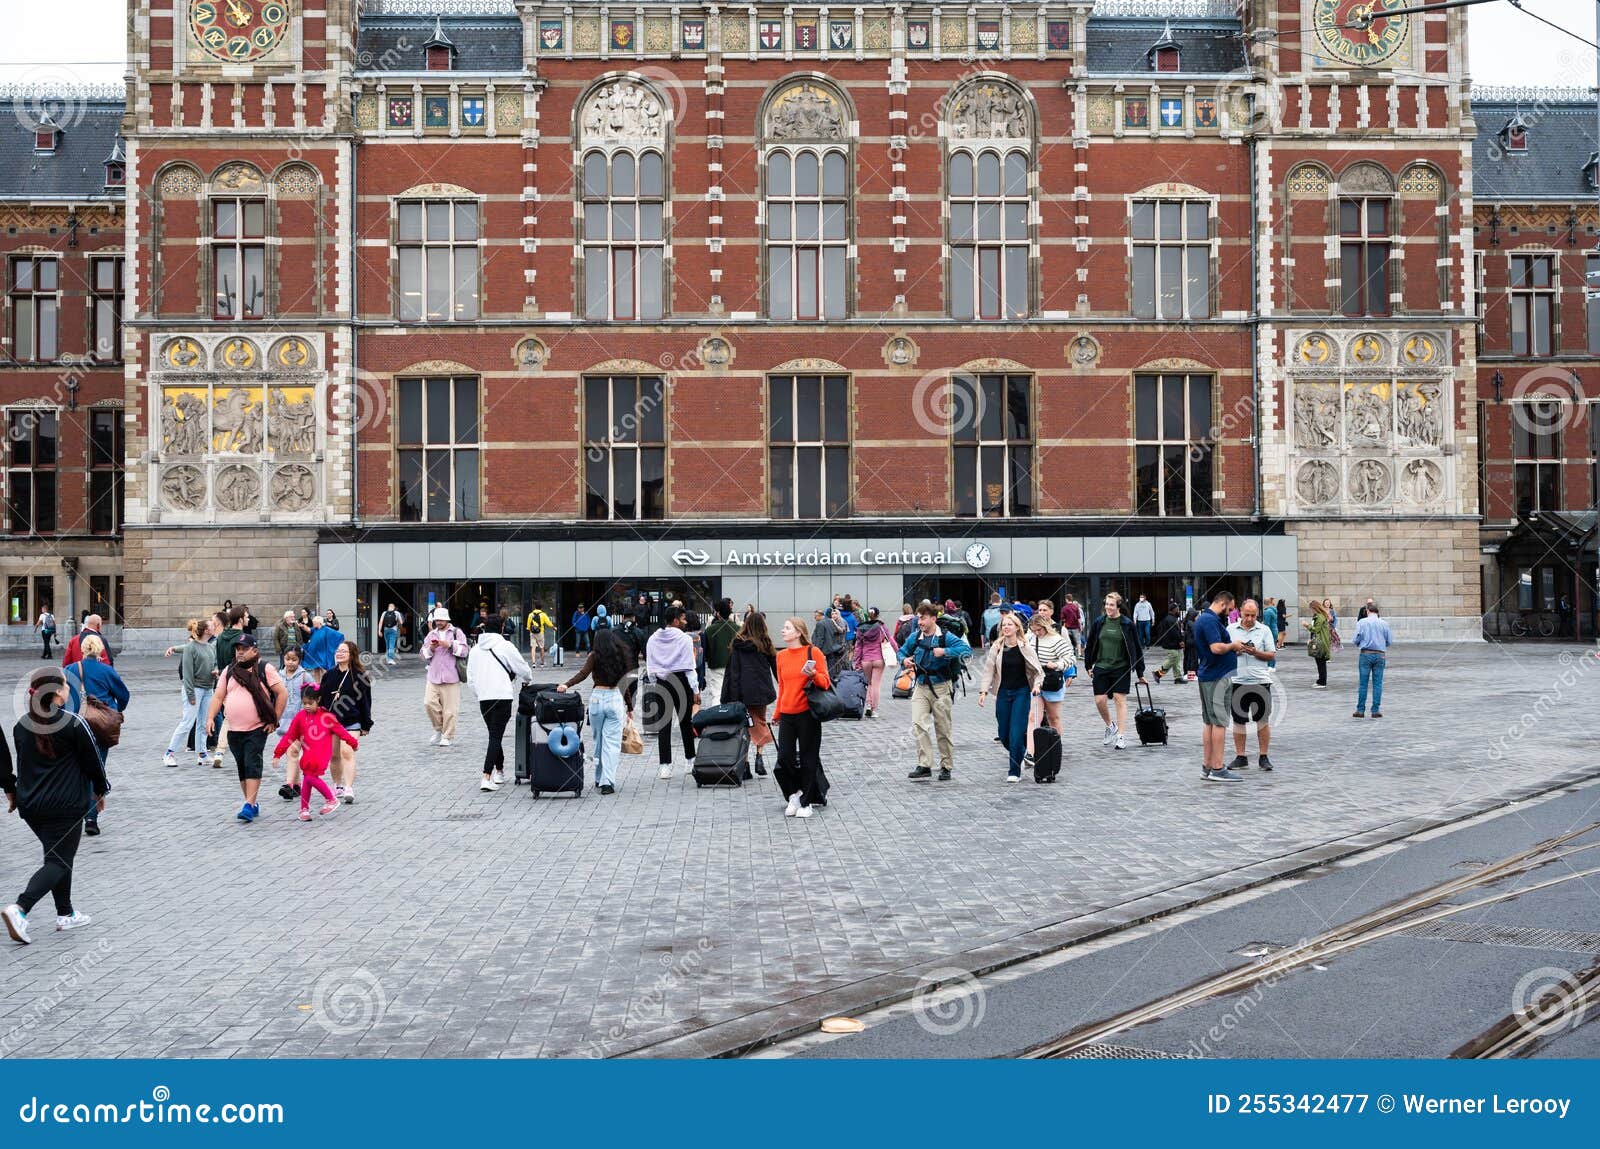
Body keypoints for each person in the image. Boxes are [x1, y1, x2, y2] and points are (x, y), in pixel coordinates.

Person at [1, 669, 110, 943]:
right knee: (58, 860)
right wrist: (101, 790)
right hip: (65, 805)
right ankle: (20, 908)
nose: (68, 688)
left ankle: (66, 913)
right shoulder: (74, 723)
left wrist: (13, 792)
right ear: (59, 692)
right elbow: (93, 762)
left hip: (31, 806)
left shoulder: (21, 726)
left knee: (58, 856)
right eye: (65, 684)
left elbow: (23, 766)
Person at [204, 634, 286, 822]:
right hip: (233, 729)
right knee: (242, 766)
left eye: (244, 649)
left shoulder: (265, 668)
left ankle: (249, 805)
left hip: (257, 728)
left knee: (252, 763)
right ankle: (251, 802)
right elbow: (218, 696)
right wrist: (210, 718)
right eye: (237, 649)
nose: (240, 652)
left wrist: (274, 719)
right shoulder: (229, 670)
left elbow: (282, 693)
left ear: (254, 650)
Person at [898, 603, 972, 782]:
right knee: (918, 724)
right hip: (921, 685)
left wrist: (945, 651)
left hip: (941, 687)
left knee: (943, 728)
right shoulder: (915, 636)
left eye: (923, 618)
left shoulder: (946, 636)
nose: (920, 622)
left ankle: (946, 766)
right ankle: (924, 765)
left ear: (933, 618)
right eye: (918, 618)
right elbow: (901, 651)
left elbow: (967, 650)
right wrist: (904, 660)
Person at [64, 635, 127, 837]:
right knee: (96, 769)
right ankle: (91, 818)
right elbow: (124, 695)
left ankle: (74, 812)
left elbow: (61, 698)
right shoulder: (107, 671)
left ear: (82, 649)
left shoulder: (70, 670)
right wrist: (114, 709)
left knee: (76, 769)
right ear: (100, 650)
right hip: (100, 727)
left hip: (75, 725)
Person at [558, 628, 634, 795]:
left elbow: (583, 674)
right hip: (614, 698)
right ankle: (607, 782)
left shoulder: (594, 655)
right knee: (611, 744)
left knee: (598, 741)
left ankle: (599, 778)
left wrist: (566, 685)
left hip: (597, 698)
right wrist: (630, 707)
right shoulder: (620, 656)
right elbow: (624, 684)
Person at [773, 617, 831, 817]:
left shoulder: (813, 652)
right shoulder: (781, 656)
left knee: (808, 758)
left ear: (798, 632)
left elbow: (825, 682)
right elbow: (782, 687)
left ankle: (806, 802)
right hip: (787, 714)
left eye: (787, 628)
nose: (783, 630)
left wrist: (814, 674)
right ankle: (794, 794)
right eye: (784, 627)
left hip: (808, 713)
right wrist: (777, 712)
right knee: (784, 758)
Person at [977, 611, 1043, 782]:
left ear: (1017, 628)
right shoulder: (997, 647)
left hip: (1021, 692)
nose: (1006, 627)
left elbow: (1038, 671)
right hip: (1003, 693)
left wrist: (1037, 685)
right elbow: (988, 670)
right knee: (1004, 734)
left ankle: (1014, 771)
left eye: (1009, 624)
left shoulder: (1025, 646)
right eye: (1004, 625)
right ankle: (1022, 753)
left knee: (1015, 733)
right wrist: (983, 692)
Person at [273, 684, 355, 821]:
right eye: (304, 703)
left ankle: (331, 799)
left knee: (310, 777)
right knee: (307, 777)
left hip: (321, 754)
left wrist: (353, 742)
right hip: (308, 754)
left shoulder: (327, 717)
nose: (307, 706)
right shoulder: (300, 717)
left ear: (318, 700)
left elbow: (341, 731)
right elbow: (289, 736)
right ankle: (304, 809)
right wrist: (278, 753)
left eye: (310, 703)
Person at [466, 623, 532, 791]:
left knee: (494, 735)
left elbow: (470, 678)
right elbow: (522, 667)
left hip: (484, 698)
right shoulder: (506, 646)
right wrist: (528, 678)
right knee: (495, 736)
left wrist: (479, 693)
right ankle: (486, 776)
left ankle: (500, 771)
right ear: (502, 628)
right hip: (502, 696)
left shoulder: (475, 650)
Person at [1082, 593, 1145, 751]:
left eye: (1111, 605)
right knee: (1099, 700)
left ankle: (1121, 736)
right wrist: (1088, 665)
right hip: (1101, 666)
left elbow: (1137, 648)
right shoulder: (1099, 622)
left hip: (1121, 667)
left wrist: (1140, 673)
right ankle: (1111, 726)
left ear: (1118, 606)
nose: (1108, 607)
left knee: (1119, 699)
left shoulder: (1127, 624)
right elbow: (1090, 644)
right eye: (1107, 604)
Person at [1194, 590, 1245, 781]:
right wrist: (1233, 646)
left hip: (1210, 675)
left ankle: (1207, 767)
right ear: (1223, 604)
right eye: (1230, 609)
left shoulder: (1205, 619)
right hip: (1217, 677)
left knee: (1210, 722)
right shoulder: (1210, 620)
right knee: (1219, 723)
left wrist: (1233, 651)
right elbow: (1216, 648)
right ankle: (1217, 768)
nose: (1230, 613)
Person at [720, 611, 778, 775]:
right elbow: (776, 668)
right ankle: (759, 757)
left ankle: (745, 765)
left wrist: (731, 696)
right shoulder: (765, 643)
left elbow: (732, 672)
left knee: (744, 726)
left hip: (741, 692)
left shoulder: (737, 644)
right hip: (761, 691)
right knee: (760, 721)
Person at [645, 605, 699, 780]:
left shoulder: (653, 639)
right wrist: (695, 689)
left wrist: (654, 683)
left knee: (664, 725)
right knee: (686, 723)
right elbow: (690, 668)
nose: (685, 622)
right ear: (675, 621)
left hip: (661, 682)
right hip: (681, 680)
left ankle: (665, 766)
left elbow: (650, 666)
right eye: (683, 618)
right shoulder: (685, 639)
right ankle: (690, 760)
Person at [1226, 599, 1278, 772]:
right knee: (1238, 721)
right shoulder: (1230, 629)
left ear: (1258, 614)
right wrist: (1236, 651)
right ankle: (1241, 757)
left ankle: (1264, 756)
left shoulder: (1264, 630)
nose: (1249, 619)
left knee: (1262, 721)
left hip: (1260, 681)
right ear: (1240, 612)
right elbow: (1223, 653)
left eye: (1253, 615)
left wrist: (1256, 652)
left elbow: (1271, 655)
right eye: (1246, 615)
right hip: (1237, 681)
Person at [320, 640, 373, 803]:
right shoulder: (328, 675)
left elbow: (365, 701)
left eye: (343, 651)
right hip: (332, 722)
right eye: (338, 650)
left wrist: (366, 724)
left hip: (352, 720)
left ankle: (349, 787)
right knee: (334, 755)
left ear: (352, 655)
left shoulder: (360, 676)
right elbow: (321, 701)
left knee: (346, 752)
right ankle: (337, 786)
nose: (339, 653)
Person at [164, 618, 217, 767]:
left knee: (203, 723)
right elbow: (187, 674)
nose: (214, 626)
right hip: (194, 689)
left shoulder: (210, 647)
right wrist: (190, 694)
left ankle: (202, 754)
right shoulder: (190, 648)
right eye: (212, 625)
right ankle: (169, 754)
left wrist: (216, 670)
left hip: (208, 689)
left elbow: (215, 663)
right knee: (187, 723)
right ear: (206, 630)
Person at [1025, 612, 1075, 768]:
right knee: (1033, 717)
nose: (1036, 633)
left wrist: (1058, 664)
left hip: (1052, 681)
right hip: (1036, 682)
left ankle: (1055, 748)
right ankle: (1030, 753)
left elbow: (1070, 658)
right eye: (1033, 630)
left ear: (1045, 626)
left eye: (1039, 630)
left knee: (1053, 718)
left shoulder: (1056, 639)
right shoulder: (1029, 638)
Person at [420, 608, 467, 747]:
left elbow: (464, 651)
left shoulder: (456, 633)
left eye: (441, 620)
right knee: (429, 703)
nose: (438, 622)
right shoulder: (431, 634)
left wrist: (450, 645)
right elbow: (423, 654)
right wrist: (431, 648)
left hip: (451, 676)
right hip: (433, 676)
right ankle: (439, 729)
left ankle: (447, 736)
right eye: (437, 620)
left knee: (450, 710)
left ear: (447, 620)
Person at [274, 646, 314, 800]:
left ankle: (289, 784)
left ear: (299, 660)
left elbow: (314, 697)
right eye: (287, 659)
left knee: (292, 751)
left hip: (299, 722)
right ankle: (297, 785)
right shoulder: (278, 676)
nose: (290, 662)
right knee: (292, 754)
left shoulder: (305, 676)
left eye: (294, 659)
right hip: (283, 721)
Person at [1353, 603, 1394, 719]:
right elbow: (1389, 641)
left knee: (1363, 684)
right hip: (1380, 654)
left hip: (1365, 654)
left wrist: (1360, 643)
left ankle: (1360, 710)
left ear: (1367, 611)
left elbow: (1355, 639)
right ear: (1377, 611)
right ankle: (1375, 710)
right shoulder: (1384, 623)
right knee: (1377, 683)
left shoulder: (1361, 622)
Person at [852, 607, 894, 718]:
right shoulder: (881, 626)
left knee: (869, 684)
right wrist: (899, 654)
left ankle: (868, 705)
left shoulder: (860, 628)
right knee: (876, 684)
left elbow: (858, 647)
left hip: (865, 660)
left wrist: (857, 663)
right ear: (877, 615)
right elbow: (891, 640)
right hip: (879, 659)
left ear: (868, 615)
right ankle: (874, 710)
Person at [702, 599, 738, 701]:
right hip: (734, 665)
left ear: (718, 613)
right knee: (733, 694)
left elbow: (706, 651)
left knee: (717, 694)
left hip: (716, 665)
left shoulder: (709, 630)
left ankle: (719, 711)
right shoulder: (738, 629)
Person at [301, 613, 343, 679]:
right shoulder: (314, 629)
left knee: (323, 668)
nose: (313, 623)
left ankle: (326, 682)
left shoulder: (326, 629)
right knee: (316, 668)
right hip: (315, 653)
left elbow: (338, 635)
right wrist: (303, 626)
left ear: (319, 623)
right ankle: (317, 684)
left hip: (322, 653)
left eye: (314, 622)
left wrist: (339, 643)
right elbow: (308, 629)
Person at [1151, 603, 1186, 683]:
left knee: (1176, 659)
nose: (1178, 611)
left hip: (1173, 643)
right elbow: (1175, 632)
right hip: (1170, 644)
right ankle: (1157, 674)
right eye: (1177, 609)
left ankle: (1178, 677)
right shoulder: (1171, 619)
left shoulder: (1171, 618)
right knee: (1173, 658)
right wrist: (1181, 641)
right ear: (1174, 610)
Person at [810, 606, 847, 677]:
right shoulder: (831, 621)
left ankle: (827, 680)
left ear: (820, 616)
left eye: (816, 616)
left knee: (822, 666)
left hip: (824, 649)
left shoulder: (820, 623)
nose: (814, 618)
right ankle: (832, 679)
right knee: (831, 667)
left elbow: (820, 638)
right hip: (832, 648)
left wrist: (817, 649)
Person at [1304, 600, 1333, 688]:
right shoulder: (1319, 616)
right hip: (1320, 641)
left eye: (1311, 609)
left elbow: (1316, 630)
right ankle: (1321, 681)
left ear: (1314, 608)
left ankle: (1322, 682)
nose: (1311, 611)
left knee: (1321, 663)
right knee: (1320, 662)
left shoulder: (1319, 617)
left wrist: (1307, 625)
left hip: (1321, 642)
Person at [215, 605, 246, 676]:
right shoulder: (242, 638)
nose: (248, 619)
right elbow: (242, 663)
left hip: (223, 676)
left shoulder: (220, 636)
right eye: (246, 617)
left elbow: (218, 659)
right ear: (241, 620)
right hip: (237, 677)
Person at [525, 603, 554, 668]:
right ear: (541, 608)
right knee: (541, 647)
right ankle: (542, 663)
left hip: (532, 632)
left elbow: (528, 625)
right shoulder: (543, 614)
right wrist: (553, 627)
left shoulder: (530, 614)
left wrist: (529, 629)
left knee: (533, 647)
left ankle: (533, 663)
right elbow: (548, 622)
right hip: (540, 632)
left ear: (535, 607)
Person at [379, 602, 404, 666]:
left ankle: (388, 659)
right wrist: (399, 624)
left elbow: (381, 622)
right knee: (391, 645)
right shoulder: (397, 613)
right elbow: (401, 622)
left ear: (388, 607)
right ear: (394, 607)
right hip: (393, 630)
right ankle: (390, 659)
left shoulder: (384, 613)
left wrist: (379, 631)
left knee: (387, 645)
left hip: (386, 630)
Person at [1261, 598, 1281, 668]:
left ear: (1264, 603)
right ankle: (1271, 665)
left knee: (1268, 649)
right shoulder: (1273, 610)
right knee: (1272, 648)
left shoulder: (1267, 611)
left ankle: (1270, 665)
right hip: (1274, 630)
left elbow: (1267, 625)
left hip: (1270, 631)